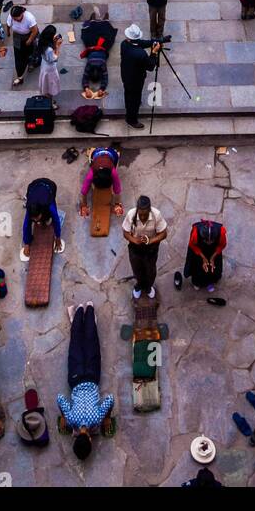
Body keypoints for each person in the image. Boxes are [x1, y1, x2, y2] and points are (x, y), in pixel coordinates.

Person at [57, 304, 113, 459]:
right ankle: (79, 310)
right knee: (75, 342)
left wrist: (107, 417)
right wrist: (63, 416)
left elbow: (110, 399)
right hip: (75, 378)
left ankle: (89, 310)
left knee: (91, 342)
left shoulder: (97, 418)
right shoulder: (70, 419)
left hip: (92, 375)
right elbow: (60, 398)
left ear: (89, 438)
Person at [122, 195, 167, 300]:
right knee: (137, 269)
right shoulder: (131, 215)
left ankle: (148, 287)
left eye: (145, 215)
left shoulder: (156, 215)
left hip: (151, 247)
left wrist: (150, 240)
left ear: (149, 210)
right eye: (140, 215)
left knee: (150, 270)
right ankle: (139, 286)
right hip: (135, 247)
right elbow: (125, 233)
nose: (142, 218)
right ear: (137, 210)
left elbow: (163, 234)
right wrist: (134, 240)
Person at [119, 24, 159, 128]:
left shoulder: (124, 44)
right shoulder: (140, 54)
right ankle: (131, 120)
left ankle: (129, 106)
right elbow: (150, 66)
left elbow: (140, 43)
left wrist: (154, 42)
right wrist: (154, 52)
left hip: (126, 75)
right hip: (136, 80)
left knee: (128, 93)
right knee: (134, 99)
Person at [22, 178, 63, 256]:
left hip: (49, 185)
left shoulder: (49, 205)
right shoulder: (29, 209)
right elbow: (26, 225)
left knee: (49, 218)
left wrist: (58, 237)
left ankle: (44, 218)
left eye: (37, 218)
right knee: (31, 221)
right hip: (33, 186)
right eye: (34, 219)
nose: (36, 221)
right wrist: (27, 243)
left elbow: (56, 220)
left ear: (41, 211)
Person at [184, 219, 226, 291]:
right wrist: (203, 257)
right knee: (197, 266)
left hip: (214, 250)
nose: (209, 243)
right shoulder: (196, 232)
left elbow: (222, 245)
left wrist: (213, 257)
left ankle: (210, 282)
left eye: (211, 241)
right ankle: (196, 282)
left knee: (212, 267)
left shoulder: (221, 232)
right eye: (206, 240)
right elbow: (192, 245)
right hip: (199, 248)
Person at [79, 146, 122, 215]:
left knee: (115, 158)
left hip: (113, 154)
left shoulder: (113, 172)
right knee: (91, 158)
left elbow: (117, 191)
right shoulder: (92, 172)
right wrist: (84, 205)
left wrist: (117, 204)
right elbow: (83, 192)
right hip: (96, 152)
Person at [7, 4, 39, 85]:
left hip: (28, 36)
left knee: (31, 52)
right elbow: (8, 25)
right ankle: (20, 76)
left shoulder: (29, 18)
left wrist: (30, 40)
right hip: (17, 37)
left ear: (22, 14)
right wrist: (8, 32)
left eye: (18, 19)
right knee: (18, 56)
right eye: (14, 19)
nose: (16, 20)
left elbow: (35, 31)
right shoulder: (11, 16)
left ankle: (31, 63)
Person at [37, 26, 62, 109]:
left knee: (46, 85)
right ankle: (50, 103)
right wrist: (58, 46)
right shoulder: (49, 50)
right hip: (50, 70)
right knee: (50, 87)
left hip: (44, 66)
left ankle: (48, 99)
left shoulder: (41, 41)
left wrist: (54, 43)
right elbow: (54, 59)